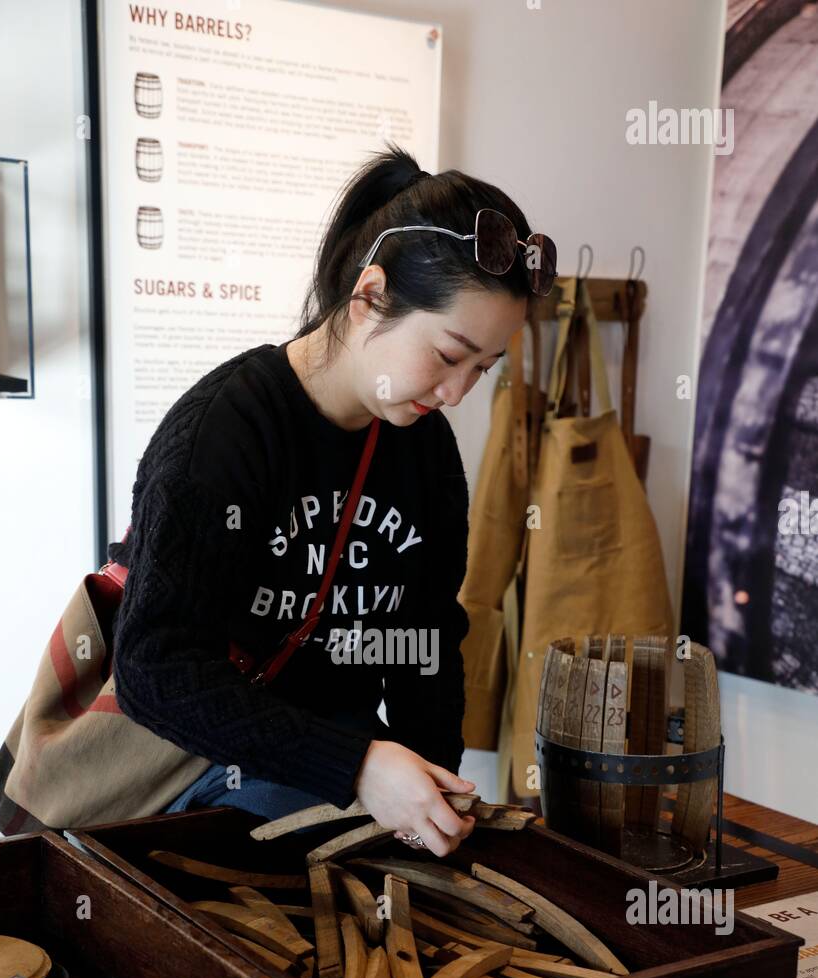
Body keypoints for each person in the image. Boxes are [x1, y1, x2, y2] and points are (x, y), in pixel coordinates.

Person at [108, 142, 552, 857]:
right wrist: (359, 767)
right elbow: (153, 670)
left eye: (484, 368)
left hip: (324, 766)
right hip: (194, 764)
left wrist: (428, 791)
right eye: (447, 355)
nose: (455, 393)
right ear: (370, 296)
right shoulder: (225, 430)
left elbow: (425, 646)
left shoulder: (423, 445)